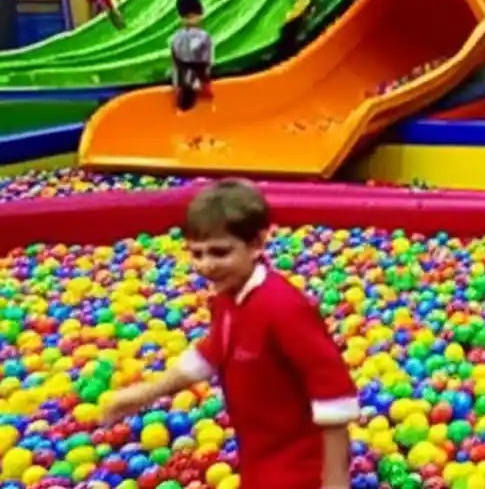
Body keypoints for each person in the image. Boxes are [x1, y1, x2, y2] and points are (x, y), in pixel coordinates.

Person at [102, 180, 359, 489]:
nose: (206, 265)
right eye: (196, 254)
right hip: (257, 454)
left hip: (299, 464)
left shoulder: (283, 307)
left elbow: (333, 389)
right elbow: (214, 350)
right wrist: (145, 393)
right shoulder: (227, 297)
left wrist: (334, 479)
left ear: (257, 243)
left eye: (220, 252)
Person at [171, 0, 214, 111]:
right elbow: (207, 61)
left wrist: (176, 83)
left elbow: (175, 62)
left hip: (183, 80)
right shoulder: (204, 37)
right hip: (197, 80)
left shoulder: (175, 38)